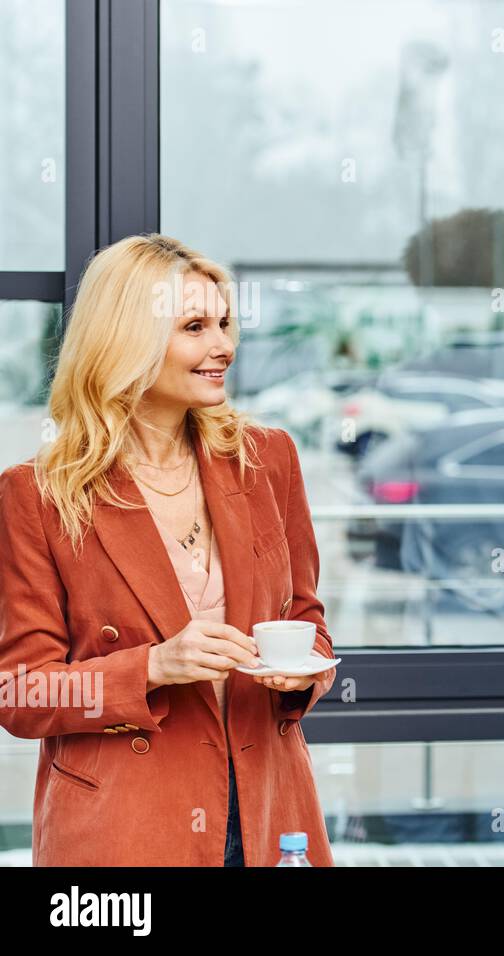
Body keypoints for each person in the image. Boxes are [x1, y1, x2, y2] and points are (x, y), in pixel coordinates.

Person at [0, 234, 336, 866]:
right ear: (128, 339)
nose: (224, 347)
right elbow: (21, 692)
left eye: (225, 324)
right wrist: (152, 667)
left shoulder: (267, 461)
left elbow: (308, 623)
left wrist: (301, 672)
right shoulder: (38, 496)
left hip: (268, 816)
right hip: (126, 830)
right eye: (195, 327)